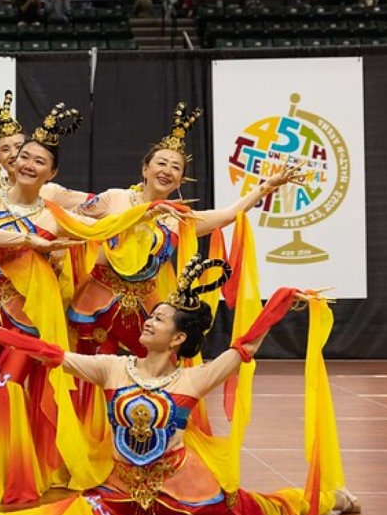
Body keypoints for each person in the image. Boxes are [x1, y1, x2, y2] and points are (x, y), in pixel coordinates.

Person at [0, 258, 360, 515]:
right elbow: (53, 354)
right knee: (75, 510)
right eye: (151, 315)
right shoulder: (111, 369)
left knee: (261, 507)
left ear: (177, 339)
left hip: (186, 495)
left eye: (159, 319)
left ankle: (332, 498)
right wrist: (1, 332)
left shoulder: (194, 378)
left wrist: (282, 301)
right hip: (123, 492)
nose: (149, 321)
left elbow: (244, 346)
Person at [64, 104, 302, 357]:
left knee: (149, 375)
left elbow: (229, 214)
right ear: (145, 169)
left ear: (180, 180)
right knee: (92, 376)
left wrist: (266, 186)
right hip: (97, 302)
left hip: (146, 309)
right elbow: (71, 222)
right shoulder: (114, 199)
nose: (167, 170)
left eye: (176, 167)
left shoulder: (180, 219)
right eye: (161, 163)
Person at [0, 105, 90, 502]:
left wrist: (149, 204)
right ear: (11, 160)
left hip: (28, 320)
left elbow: (107, 216)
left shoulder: (56, 215)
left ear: (51, 175)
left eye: (40, 161)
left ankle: (15, 477)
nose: (28, 164)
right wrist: (29, 241)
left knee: (10, 387)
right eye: (24, 157)